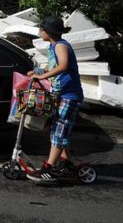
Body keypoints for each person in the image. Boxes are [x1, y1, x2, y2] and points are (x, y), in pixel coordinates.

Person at [26, 16, 84, 183]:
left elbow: (63, 65)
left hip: (69, 95)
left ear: (48, 32)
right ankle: (65, 162)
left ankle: (48, 168)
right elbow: (53, 65)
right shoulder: (53, 46)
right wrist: (37, 71)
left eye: (41, 29)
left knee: (59, 130)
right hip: (61, 94)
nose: (39, 32)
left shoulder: (61, 45)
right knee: (57, 129)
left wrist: (42, 76)